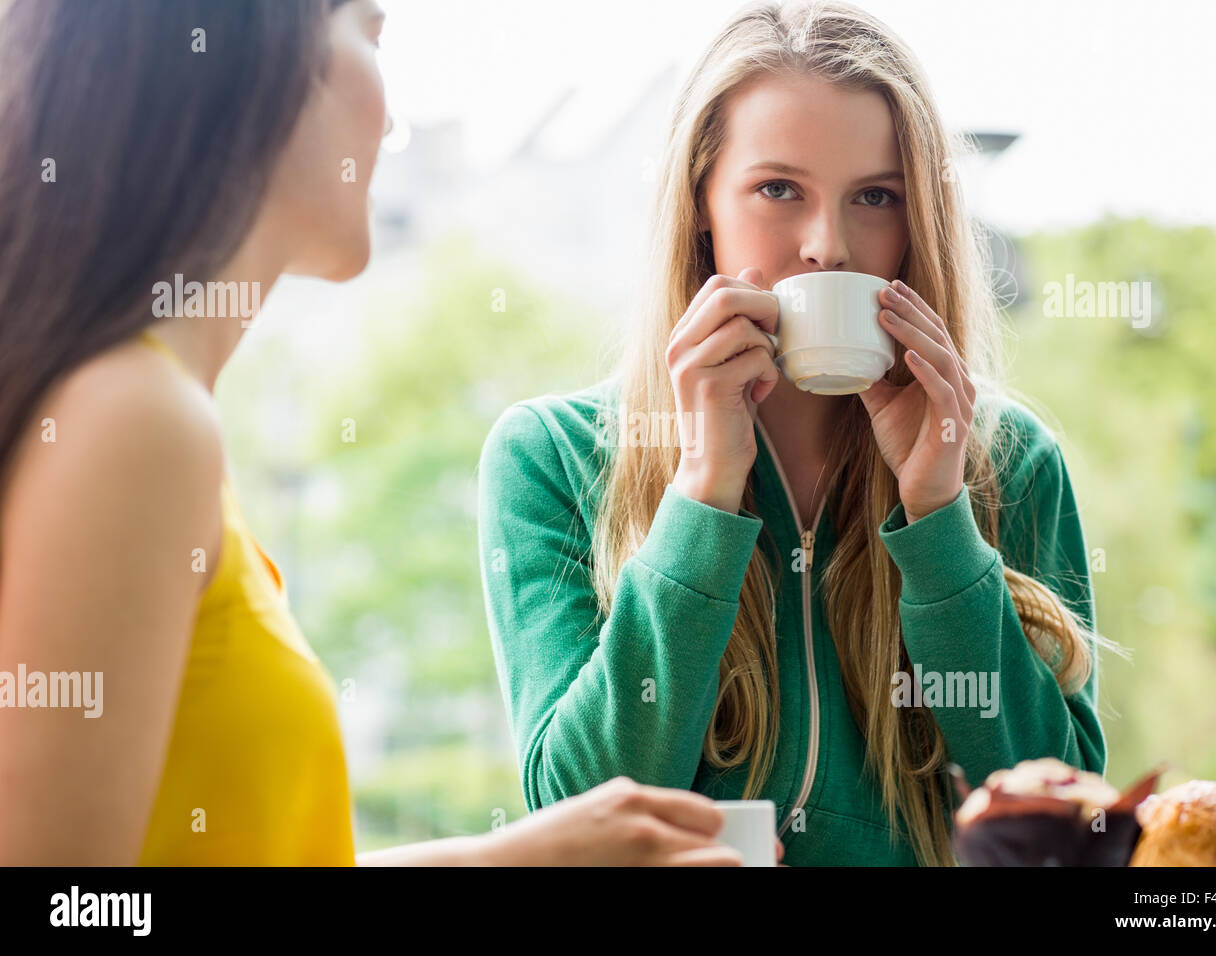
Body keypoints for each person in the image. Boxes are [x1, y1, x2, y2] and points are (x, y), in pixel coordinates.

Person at [0, 0, 767, 867]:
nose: (395, 118)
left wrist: (515, 860)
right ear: (248, 61)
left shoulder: (151, 416)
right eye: (368, 34)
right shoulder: (136, 421)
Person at [477, 0, 1124, 866]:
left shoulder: (1010, 464)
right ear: (700, 200)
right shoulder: (549, 457)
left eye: (876, 197)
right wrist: (703, 491)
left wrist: (938, 520)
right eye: (778, 189)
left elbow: (1070, 828)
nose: (830, 244)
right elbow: (576, 813)